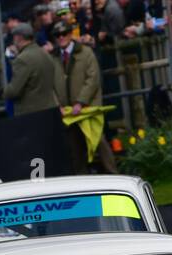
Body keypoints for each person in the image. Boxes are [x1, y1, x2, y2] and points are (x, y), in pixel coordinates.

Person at [51, 19, 115, 172]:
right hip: (68, 113)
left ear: (70, 34)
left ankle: (114, 174)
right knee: (74, 148)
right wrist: (58, 106)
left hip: (88, 109)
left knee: (99, 142)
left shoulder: (86, 53)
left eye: (64, 33)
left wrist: (81, 102)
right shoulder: (53, 57)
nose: (61, 37)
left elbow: (93, 79)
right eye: (57, 35)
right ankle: (82, 179)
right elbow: (49, 84)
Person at [3, 23, 61, 114]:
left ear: (19, 38)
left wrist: (4, 92)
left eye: (14, 38)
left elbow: (14, 91)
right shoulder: (45, 53)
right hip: (50, 109)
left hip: (32, 113)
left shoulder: (22, 59)